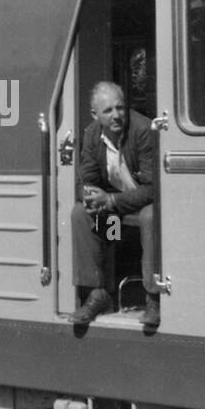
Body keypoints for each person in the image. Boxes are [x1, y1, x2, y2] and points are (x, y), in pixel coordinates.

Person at [70, 82, 160, 327]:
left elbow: (155, 189)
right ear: (95, 115)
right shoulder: (91, 134)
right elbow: (84, 181)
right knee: (81, 214)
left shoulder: (143, 130)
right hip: (115, 216)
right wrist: (90, 197)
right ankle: (98, 293)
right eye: (108, 110)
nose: (117, 115)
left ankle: (153, 297)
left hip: (143, 204)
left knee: (151, 217)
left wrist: (110, 200)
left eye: (120, 108)